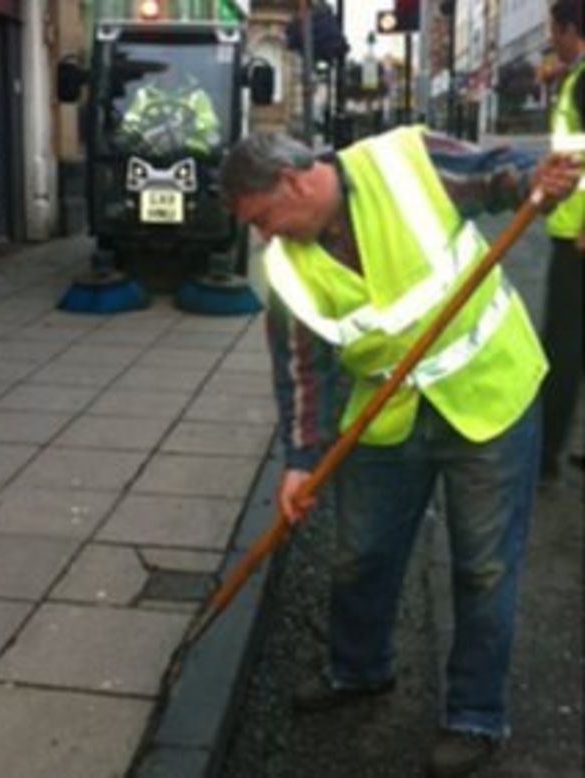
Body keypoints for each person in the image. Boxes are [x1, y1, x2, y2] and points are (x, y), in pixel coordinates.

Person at [219, 128, 580, 778]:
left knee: (484, 569)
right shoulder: (286, 269)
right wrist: (300, 462)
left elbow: (500, 174)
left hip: (489, 396)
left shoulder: (407, 161)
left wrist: (540, 182)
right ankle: (357, 670)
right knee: (361, 554)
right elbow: (302, 372)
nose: (265, 237)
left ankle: (474, 716)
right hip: (388, 417)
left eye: (263, 218)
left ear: (295, 182)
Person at [541, 0, 585, 481]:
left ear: (569, 28)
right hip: (572, 227)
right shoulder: (575, 77)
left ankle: (544, 454)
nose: (550, 38)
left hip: (577, 236)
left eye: (553, 29)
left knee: (564, 344)